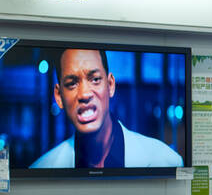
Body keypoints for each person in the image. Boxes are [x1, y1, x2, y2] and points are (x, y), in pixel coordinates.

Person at [30, 48, 183, 169]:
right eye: (72, 84)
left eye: (95, 79)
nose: (84, 94)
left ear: (110, 85)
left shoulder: (165, 160)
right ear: (59, 96)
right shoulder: (42, 168)